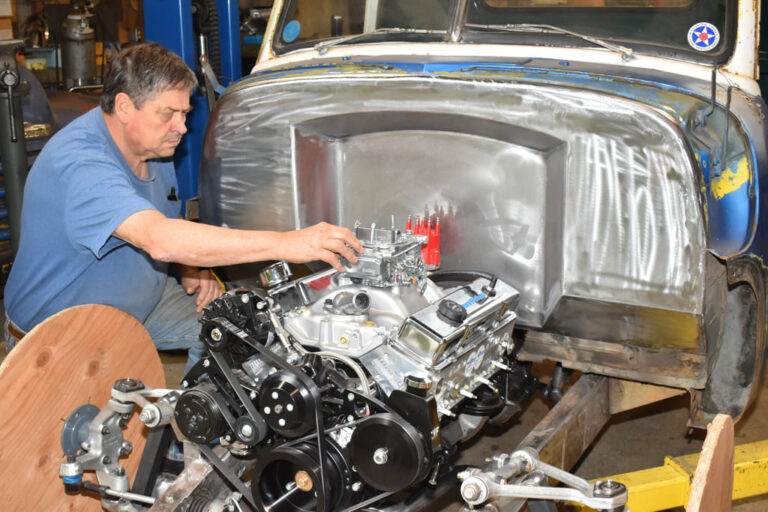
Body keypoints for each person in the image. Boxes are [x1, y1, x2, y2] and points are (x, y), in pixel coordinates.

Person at [4, 43, 362, 372]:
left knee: (230, 330)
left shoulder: (153, 146)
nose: (182, 127)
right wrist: (288, 243)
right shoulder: (81, 164)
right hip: (57, 338)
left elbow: (165, 217)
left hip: (139, 304)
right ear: (125, 106)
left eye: (185, 113)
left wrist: (191, 263)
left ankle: (191, 429)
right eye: (168, 114)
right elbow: (158, 238)